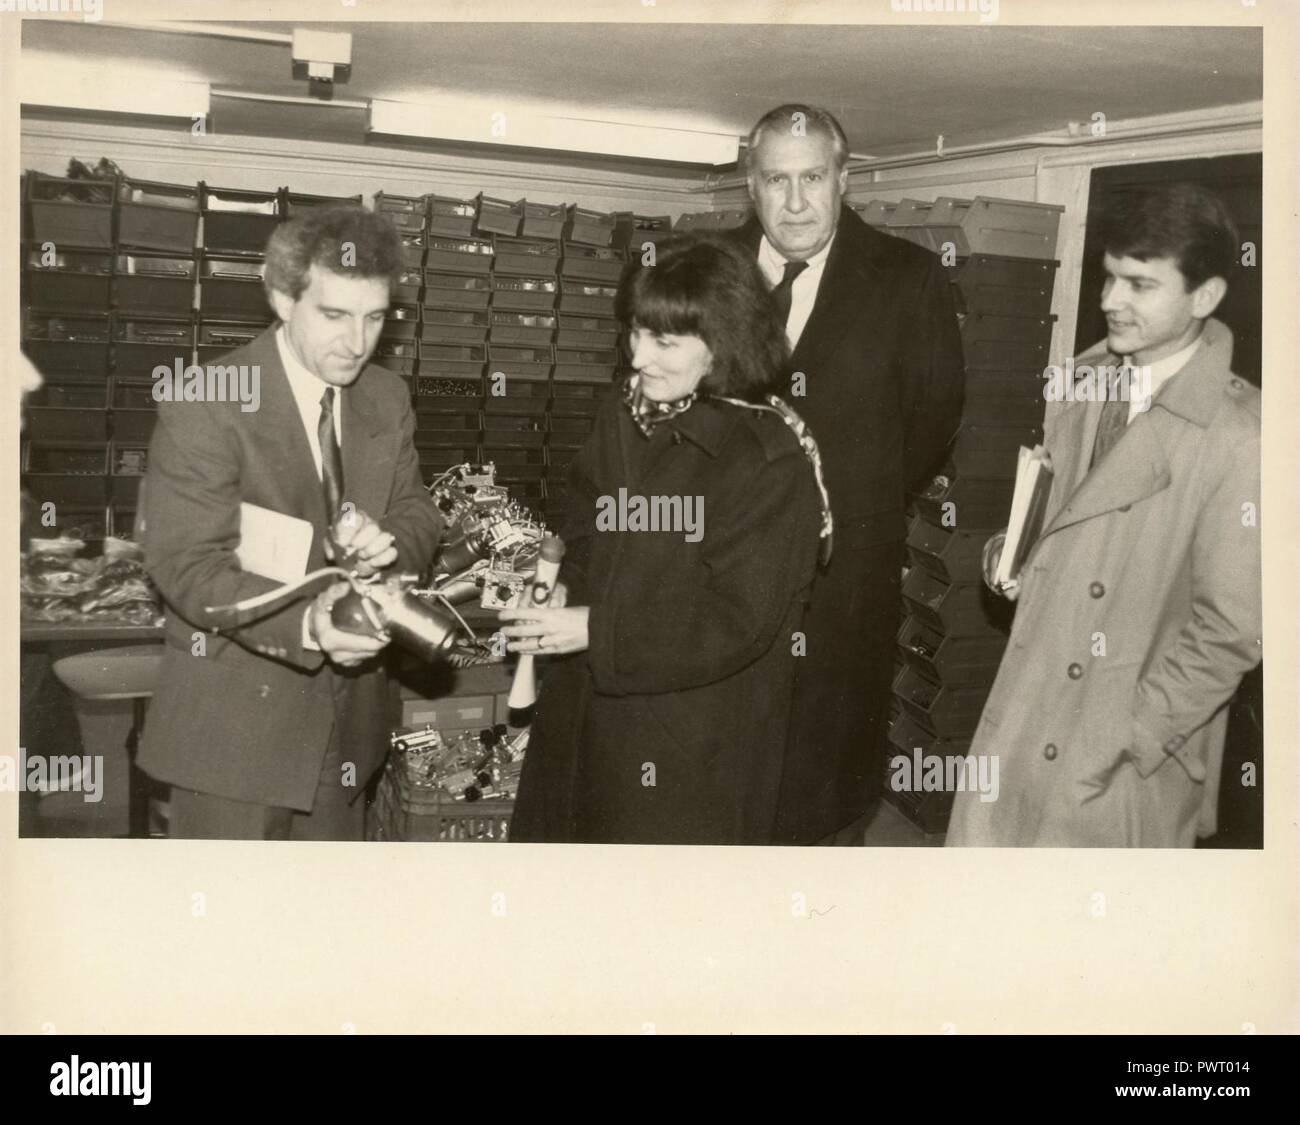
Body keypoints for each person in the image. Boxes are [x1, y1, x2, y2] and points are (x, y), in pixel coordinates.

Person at [946, 183, 1261, 848]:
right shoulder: (1084, 380)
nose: (1109, 301)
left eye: (1140, 285)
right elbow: (1067, 528)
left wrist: (1129, 735)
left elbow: (1230, 630)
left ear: (1203, 298)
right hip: (1028, 701)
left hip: (1114, 756)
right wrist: (1013, 553)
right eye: (1110, 277)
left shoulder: (1244, 436)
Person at [499, 235, 826, 845]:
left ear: (720, 345)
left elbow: (738, 620)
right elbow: (584, 523)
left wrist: (597, 629)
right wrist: (559, 585)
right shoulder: (623, 413)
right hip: (587, 710)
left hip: (689, 735)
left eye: (664, 341)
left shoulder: (769, 459)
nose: (639, 357)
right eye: (635, 333)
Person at [137, 207, 443, 840]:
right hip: (233, 737)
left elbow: (418, 512)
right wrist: (310, 623)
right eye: (334, 315)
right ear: (281, 298)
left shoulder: (387, 397)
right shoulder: (210, 399)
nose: (357, 342)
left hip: (350, 726)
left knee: (323, 926)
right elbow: (188, 568)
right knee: (231, 926)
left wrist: (387, 548)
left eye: (375, 317)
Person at [730, 104, 966, 844]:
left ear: (842, 179)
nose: (795, 201)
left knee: (827, 765)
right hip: (719, 560)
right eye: (776, 180)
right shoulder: (706, 273)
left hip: (847, 574)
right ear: (750, 185)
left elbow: (932, 420)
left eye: (813, 178)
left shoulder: (908, 278)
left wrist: (852, 506)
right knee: (722, 746)